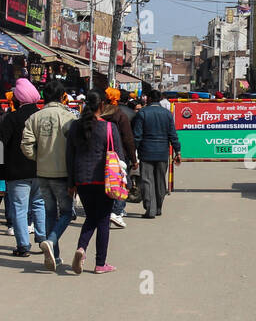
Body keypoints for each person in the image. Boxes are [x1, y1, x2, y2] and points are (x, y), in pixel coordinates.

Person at [65, 90, 125, 274]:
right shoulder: (108, 127)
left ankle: (82, 249)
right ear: (101, 106)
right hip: (104, 179)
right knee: (103, 219)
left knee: (92, 216)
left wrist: (71, 183)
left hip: (82, 179)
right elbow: (119, 155)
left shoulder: (75, 126)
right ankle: (100, 263)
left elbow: (69, 155)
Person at [21, 79, 76, 268]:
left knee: (50, 213)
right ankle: (51, 241)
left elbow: (26, 146)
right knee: (67, 212)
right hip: (63, 173)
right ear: (63, 97)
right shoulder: (69, 117)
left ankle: (55, 257)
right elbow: (76, 146)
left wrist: (39, 158)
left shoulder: (34, 118)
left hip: (42, 172)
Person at [0, 78, 46, 257]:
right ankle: (42, 240)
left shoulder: (10, 118)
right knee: (39, 204)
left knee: (19, 208)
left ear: (17, 99)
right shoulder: (42, 117)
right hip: (41, 170)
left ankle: (23, 246)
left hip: (16, 172)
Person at [131, 89, 180, 218]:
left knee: (147, 180)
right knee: (160, 180)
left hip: (146, 152)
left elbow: (137, 136)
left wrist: (132, 153)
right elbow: (173, 135)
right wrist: (178, 151)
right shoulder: (167, 114)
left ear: (149, 99)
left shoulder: (142, 113)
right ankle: (158, 207)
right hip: (162, 152)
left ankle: (150, 208)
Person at [99, 87, 136, 229]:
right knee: (121, 182)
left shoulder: (99, 113)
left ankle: (107, 210)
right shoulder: (121, 115)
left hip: (100, 153)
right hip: (119, 155)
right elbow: (128, 139)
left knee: (105, 183)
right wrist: (134, 159)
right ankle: (117, 211)